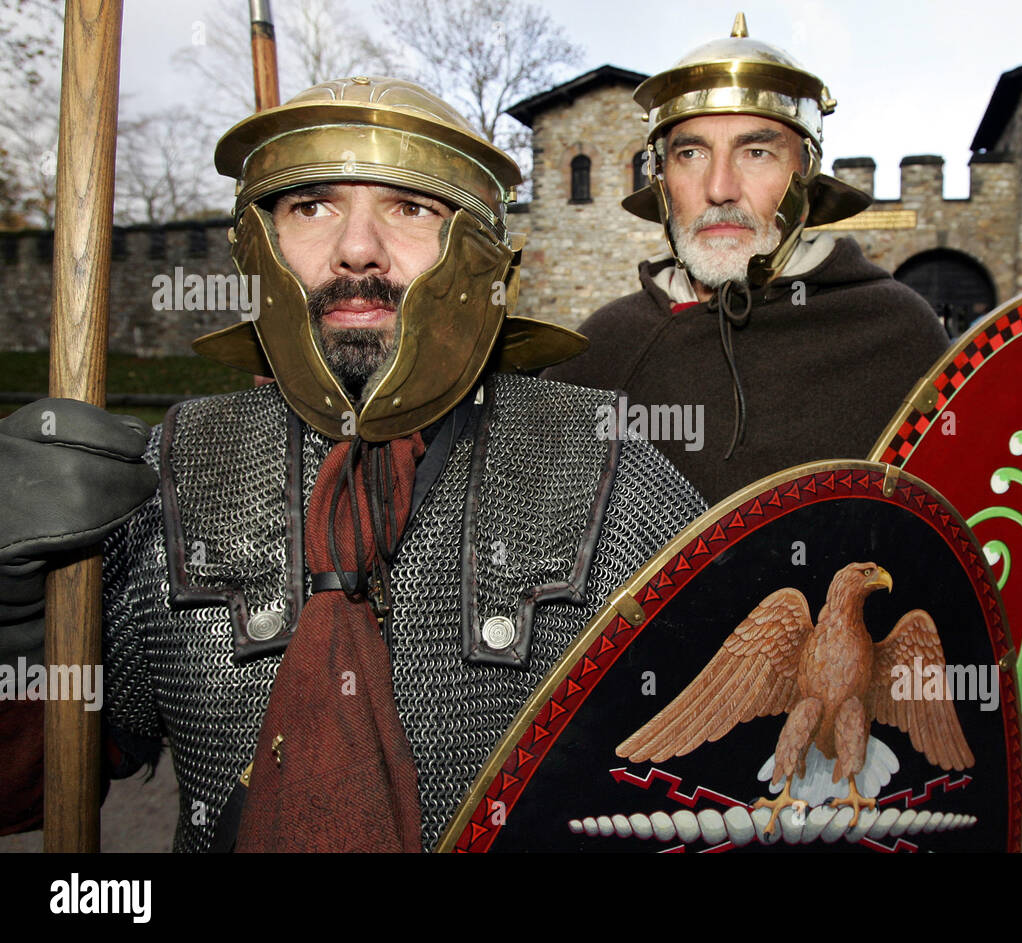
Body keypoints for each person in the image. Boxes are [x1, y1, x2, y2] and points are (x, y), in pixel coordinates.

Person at [0, 77, 704, 852]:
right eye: (313, 206)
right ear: (258, 244)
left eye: (409, 207)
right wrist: (19, 631)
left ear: (483, 255)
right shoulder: (183, 467)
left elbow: (703, 785)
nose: (357, 248)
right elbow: (36, 777)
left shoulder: (605, 469)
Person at [544, 15, 951, 504]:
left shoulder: (897, 333)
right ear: (662, 179)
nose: (719, 188)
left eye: (756, 152)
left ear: (806, 171)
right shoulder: (605, 349)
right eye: (691, 154)